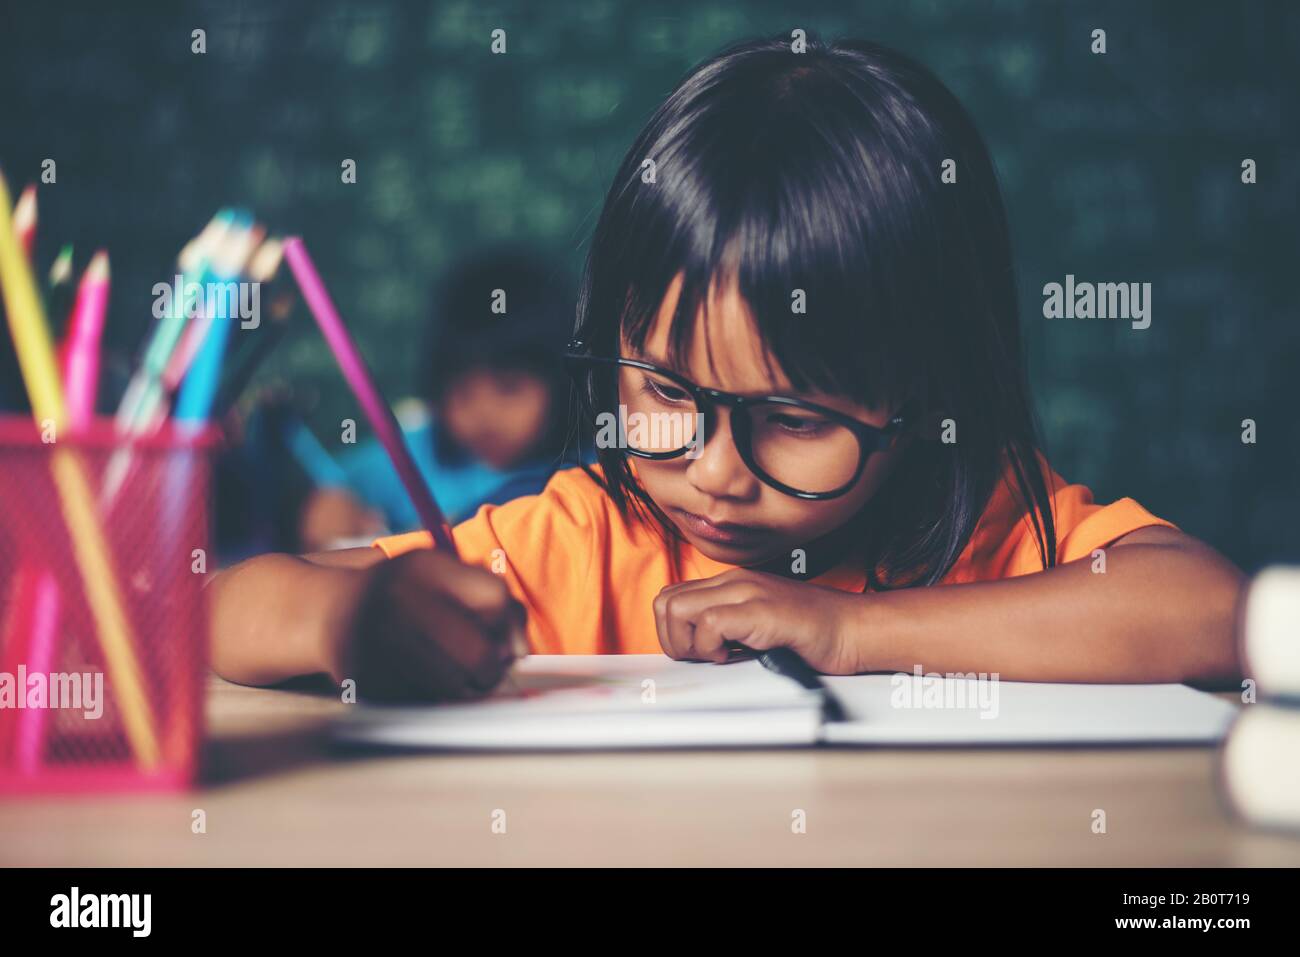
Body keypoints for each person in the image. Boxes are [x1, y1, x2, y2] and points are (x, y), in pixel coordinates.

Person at [210, 36, 1242, 701]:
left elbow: (1209, 611)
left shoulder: (981, 523)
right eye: (665, 395)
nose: (711, 472)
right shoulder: (587, 537)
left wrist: (851, 629)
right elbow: (213, 606)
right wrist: (344, 620)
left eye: (790, 419)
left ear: (922, 397)